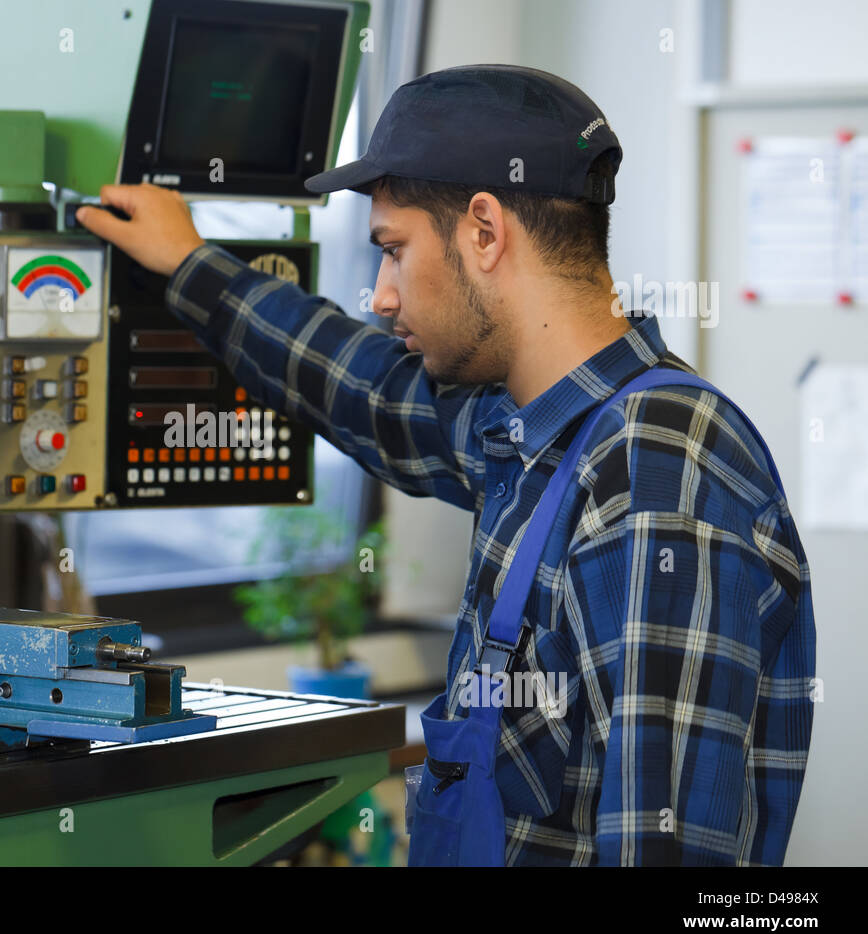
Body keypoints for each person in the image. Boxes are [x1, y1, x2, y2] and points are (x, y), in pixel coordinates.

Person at [76, 65, 815, 866]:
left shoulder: (655, 475)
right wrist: (189, 261)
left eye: (393, 251)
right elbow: (365, 390)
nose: (383, 296)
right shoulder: (534, 433)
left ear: (485, 232)